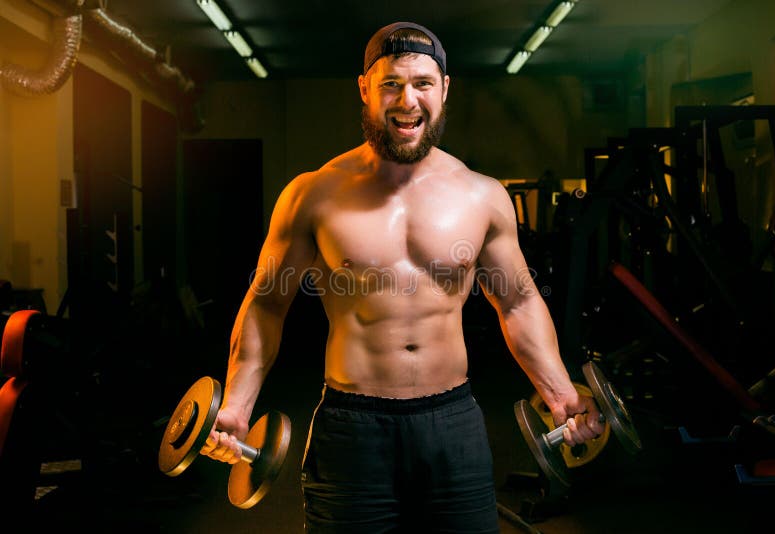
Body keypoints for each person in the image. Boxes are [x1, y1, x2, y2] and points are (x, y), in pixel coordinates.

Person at [201, 21, 604, 533]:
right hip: (352, 429)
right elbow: (267, 304)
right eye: (391, 83)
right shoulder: (312, 194)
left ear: (444, 89)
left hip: (452, 423)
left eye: (422, 84)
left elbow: (518, 304)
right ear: (365, 89)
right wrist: (237, 403)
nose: (407, 100)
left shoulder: (481, 196)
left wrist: (561, 396)